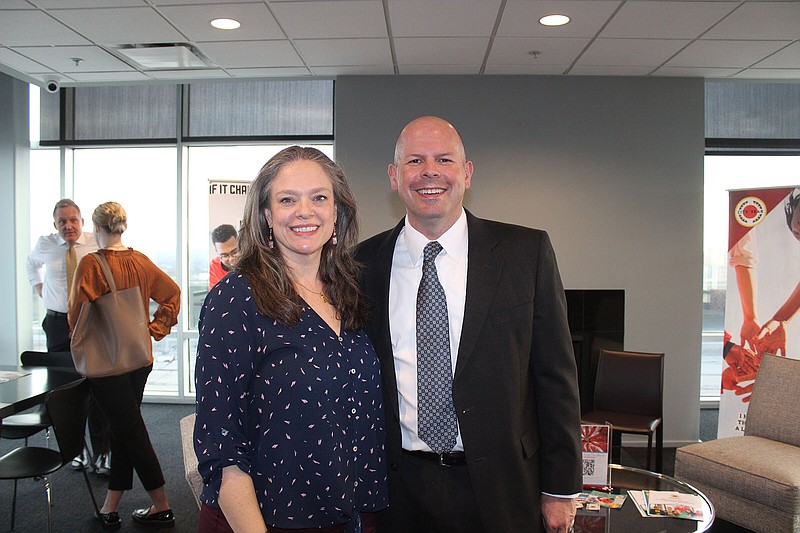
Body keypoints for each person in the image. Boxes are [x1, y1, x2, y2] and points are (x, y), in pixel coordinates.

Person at [356, 116, 582, 533]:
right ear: (394, 176)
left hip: (503, 486)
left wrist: (561, 488)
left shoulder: (525, 253)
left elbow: (556, 379)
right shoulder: (360, 266)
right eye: (414, 161)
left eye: (444, 159)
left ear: (467, 173)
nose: (429, 172)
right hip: (396, 489)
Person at [194, 146, 388, 533]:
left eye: (319, 197)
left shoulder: (348, 290)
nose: (305, 211)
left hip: (350, 512)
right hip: (267, 519)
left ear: (337, 212)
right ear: (266, 215)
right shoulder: (236, 299)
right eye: (287, 199)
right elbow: (222, 447)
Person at [68, 201, 180, 531]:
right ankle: (111, 505)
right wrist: (154, 329)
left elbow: (75, 315)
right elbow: (172, 294)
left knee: (131, 430)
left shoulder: (90, 264)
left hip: (107, 367)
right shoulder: (140, 261)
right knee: (125, 429)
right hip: (138, 359)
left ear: (98, 228)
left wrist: (80, 344)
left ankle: (162, 505)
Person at [25, 198, 110, 472]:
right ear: (55, 225)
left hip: (89, 323)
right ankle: (77, 451)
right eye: (62, 221)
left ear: (82, 222)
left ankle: (103, 452)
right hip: (58, 324)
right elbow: (31, 264)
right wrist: (40, 289)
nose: (68, 226)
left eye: (73, 220)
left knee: (96, 388)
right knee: (65, 390)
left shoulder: (95, 243)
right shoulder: (45, 244)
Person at [209, 223, 239, 288]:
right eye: (225, 256)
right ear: (217, 251)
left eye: (234, 252)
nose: (231, 259)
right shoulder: (215, 266)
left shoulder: (252, 260)